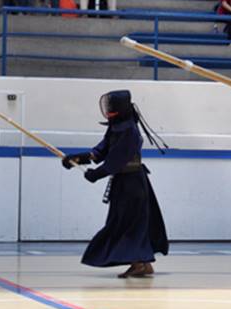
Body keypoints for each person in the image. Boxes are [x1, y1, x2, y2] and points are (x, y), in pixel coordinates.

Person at [63, 91, 169, 278]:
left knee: (128, 224)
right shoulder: (116, 127)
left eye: (112, 107)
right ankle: (143, 262)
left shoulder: (130, 132)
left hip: (133, 184)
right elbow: (101, 151)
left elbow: (115, 160)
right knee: (123, 222)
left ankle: (139, 263)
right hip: (123, 184)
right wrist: (78, 159)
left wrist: (96, 174)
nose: (109, 110)